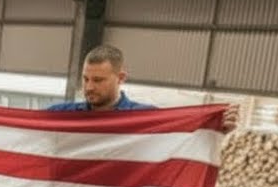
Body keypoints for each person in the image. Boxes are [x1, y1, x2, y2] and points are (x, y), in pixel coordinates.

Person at [51, 43, 238, 131]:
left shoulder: (145, 119)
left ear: (121, 77)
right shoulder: (63, 116)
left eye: (98, 80)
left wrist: (216, 128)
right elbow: (27, 127)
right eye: (85, 79)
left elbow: (184, 138)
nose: (89, 87)